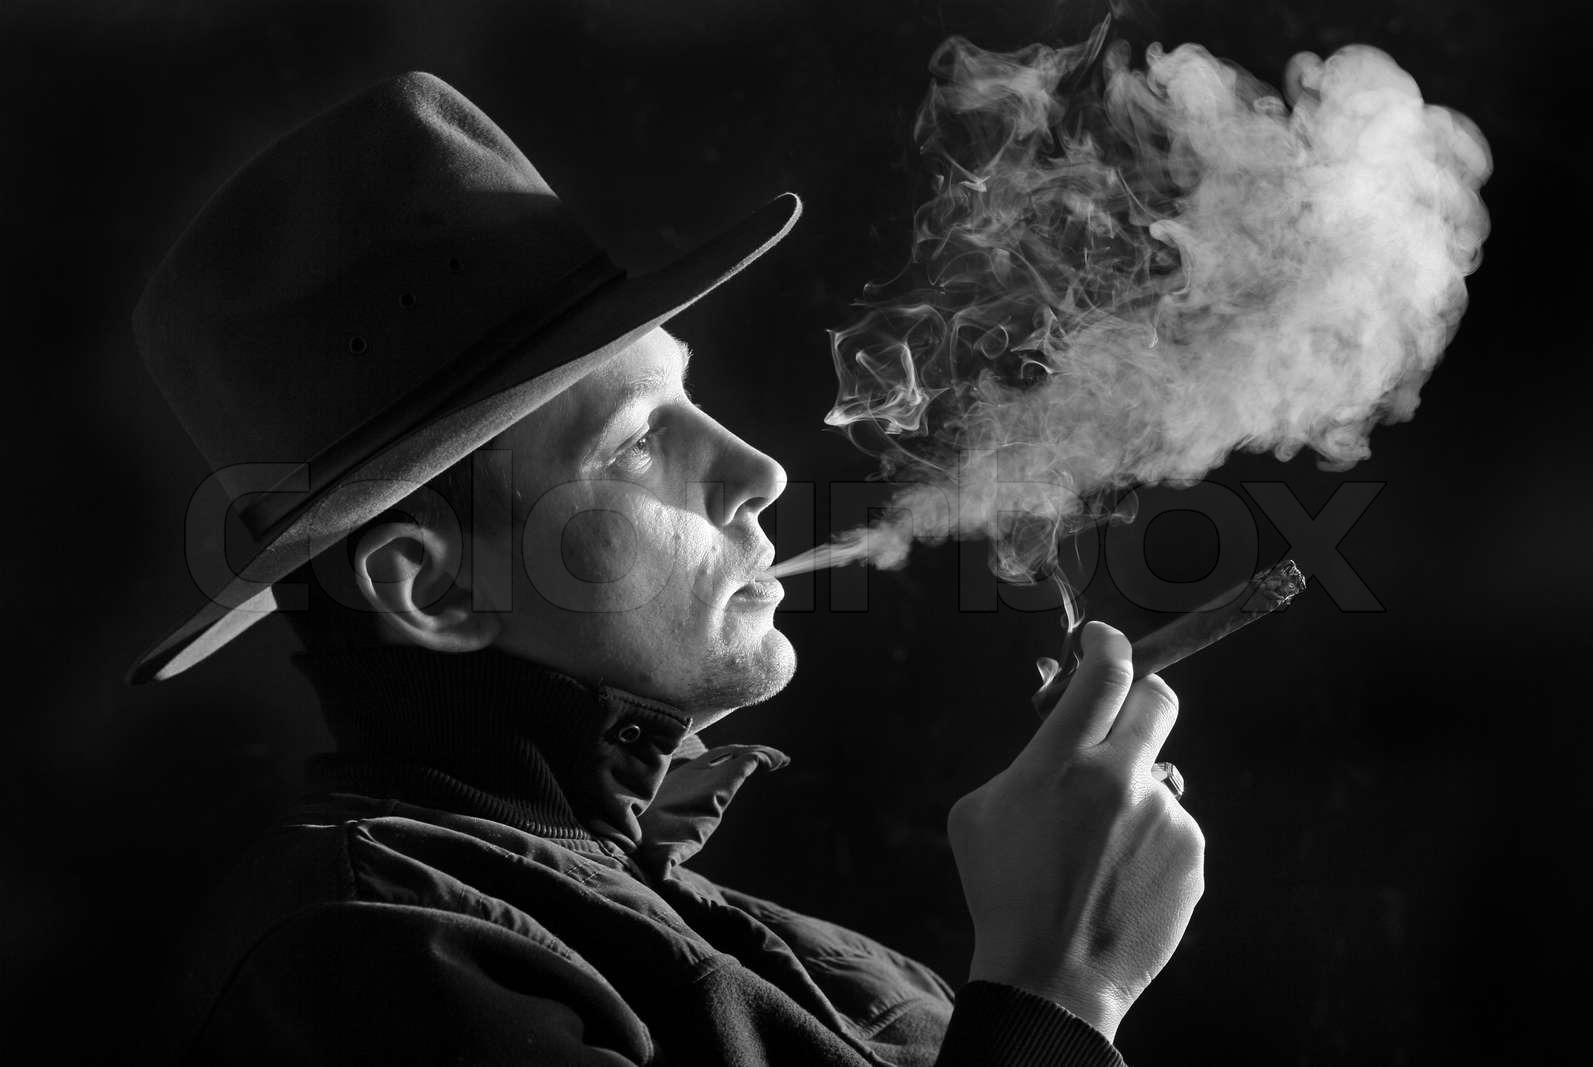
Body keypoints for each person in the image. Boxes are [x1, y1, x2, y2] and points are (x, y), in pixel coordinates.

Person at [132, 72, 1204, 1066]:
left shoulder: (831, 968)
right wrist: (1056, 987)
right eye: (638, 441)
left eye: (689, 397)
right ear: (434, 588)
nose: (760, 471)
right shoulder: (372, 955)